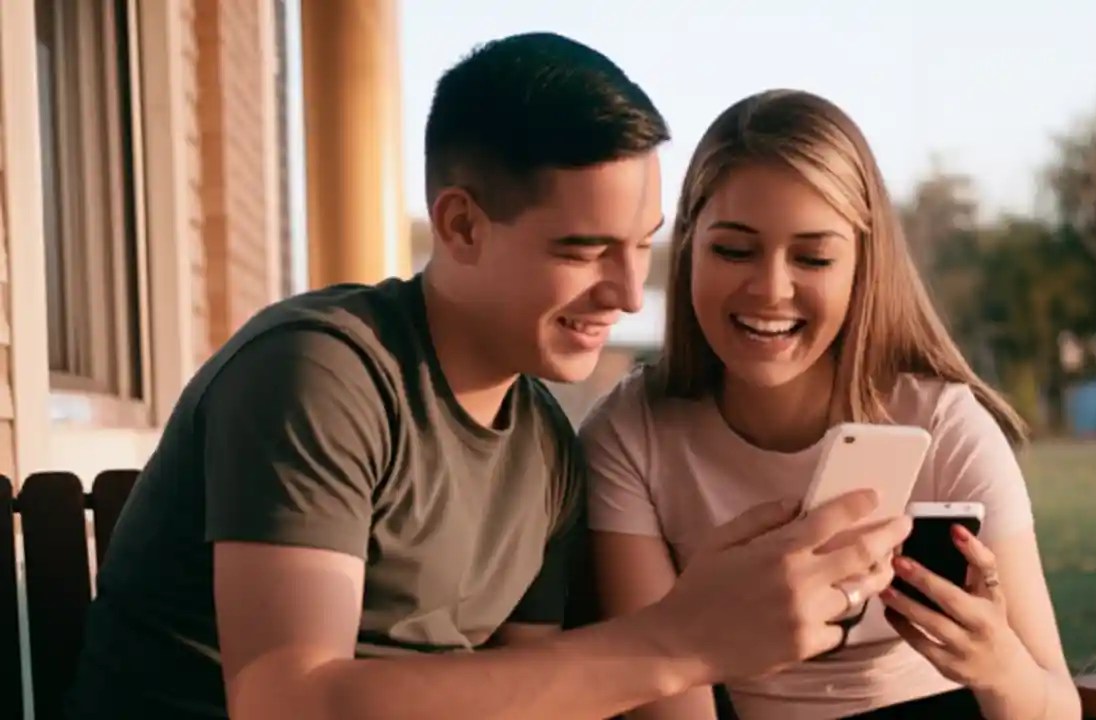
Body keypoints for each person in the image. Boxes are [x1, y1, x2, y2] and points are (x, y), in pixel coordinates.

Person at [67, 34, 910, 720]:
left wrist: (699, 627)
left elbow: (543, 691)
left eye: (640, 247)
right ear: (462, 225)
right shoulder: (321, 374)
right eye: (582, 251)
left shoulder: (544, 445)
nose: (623, 294)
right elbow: (287, 702)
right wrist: (678, 640)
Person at [581, 89, 1082, 719]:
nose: (770, 289)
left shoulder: (945, 426)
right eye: (733, 249)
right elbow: (671, 704)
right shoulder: (631, 436)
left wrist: (999, 667)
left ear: (861, 267)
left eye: (813, 257)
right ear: (688, 251)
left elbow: (1057, 706)